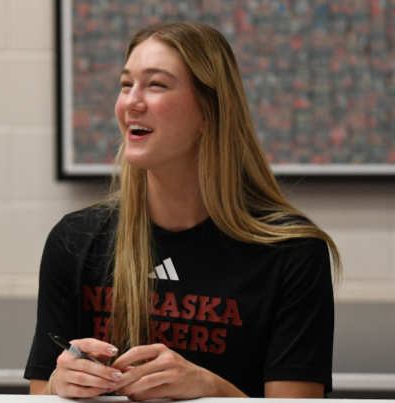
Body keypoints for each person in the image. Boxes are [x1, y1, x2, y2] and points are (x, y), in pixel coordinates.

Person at [25, 21, 341, 400]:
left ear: (210, 112)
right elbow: (40, 392)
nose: (131, 102)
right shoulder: (74, 240)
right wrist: (58, 386)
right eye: (126, 84)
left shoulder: (293, 253)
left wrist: (210, 388)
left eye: (156, 85)